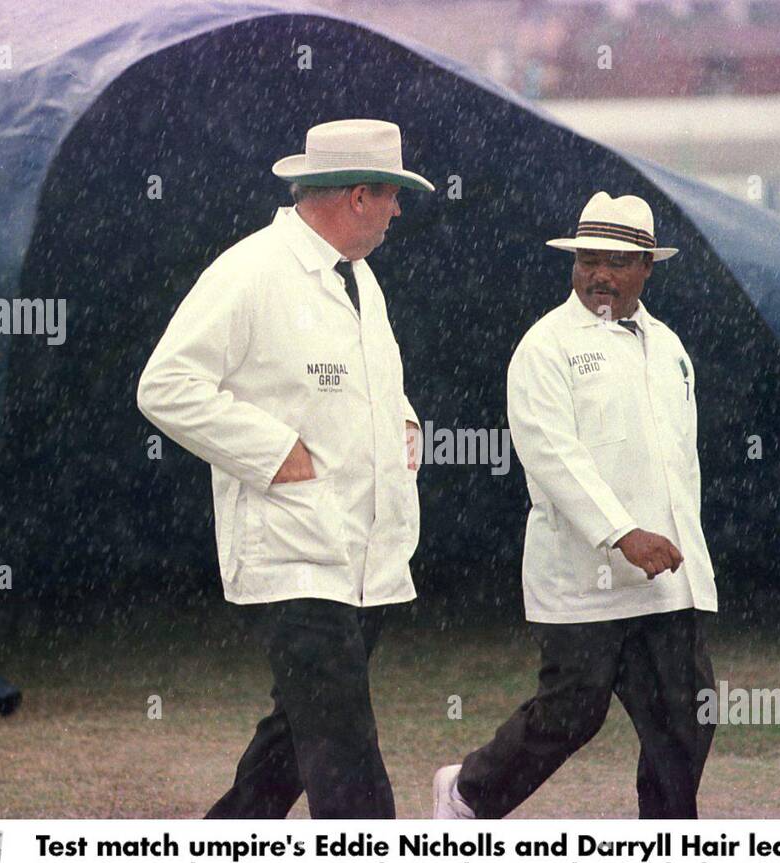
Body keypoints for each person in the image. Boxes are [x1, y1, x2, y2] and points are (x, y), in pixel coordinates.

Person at [137, 119, 432, 818]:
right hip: (295, 552)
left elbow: (372, 385)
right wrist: (272, 453)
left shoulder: (362, 280)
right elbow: (165, 385)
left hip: (366, 554)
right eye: (392, 194)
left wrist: (404, 426)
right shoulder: (250, 271)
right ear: (359, 196)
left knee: (292, 744)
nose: (398, 209)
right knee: (345, 755)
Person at [434, 192, 717, 819]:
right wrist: (622, 533)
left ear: (648, 267)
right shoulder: (546, 345)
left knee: (685, 719)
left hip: (664, 578)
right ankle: (467, 795)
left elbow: (677, 464)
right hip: (582, 575)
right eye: (589, 259)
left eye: (618, 261)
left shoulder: (668, 346)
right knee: (571, 714)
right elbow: (552, 457)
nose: (601, 274)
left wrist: (690, 560)